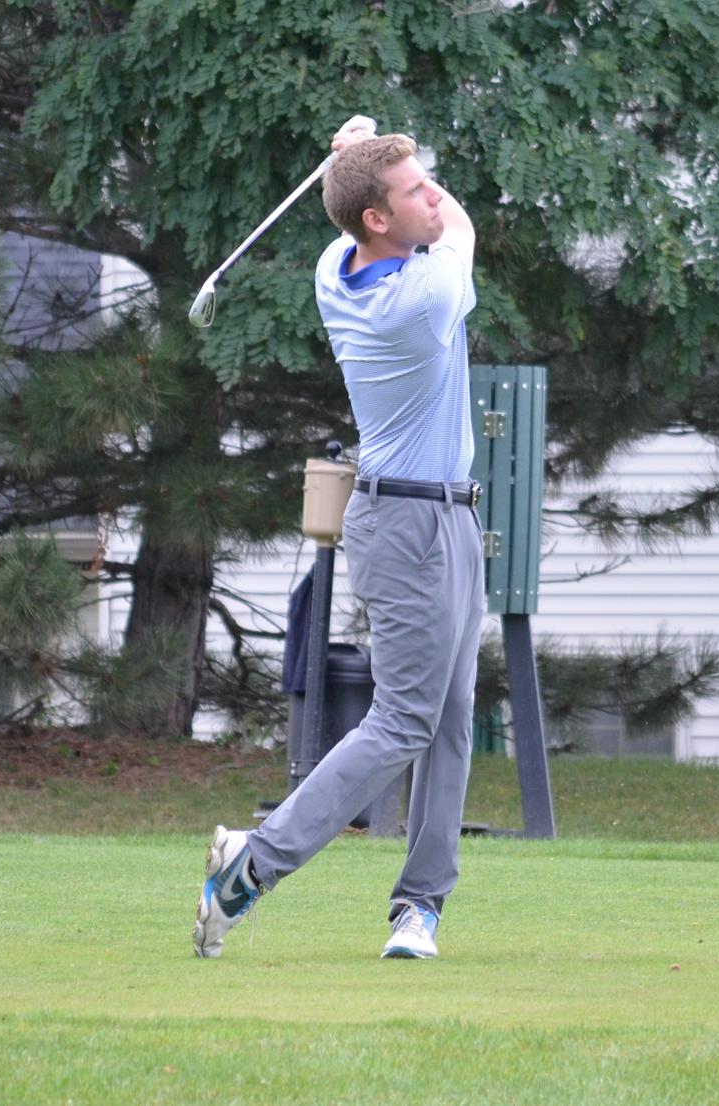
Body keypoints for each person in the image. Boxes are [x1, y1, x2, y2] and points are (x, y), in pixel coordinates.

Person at [195, 119, 483, 961]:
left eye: (426, 181)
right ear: (376, 221)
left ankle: (420, 906)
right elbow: (461, 223)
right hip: (408, 524)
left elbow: (397, 208)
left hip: (449, 515)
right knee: (403, 720)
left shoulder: (336, 264)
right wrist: (363, 157)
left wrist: (362, 158)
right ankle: (254, 863)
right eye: (414, 190)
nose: (432, 196)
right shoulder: (421, 299)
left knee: (451, 720)